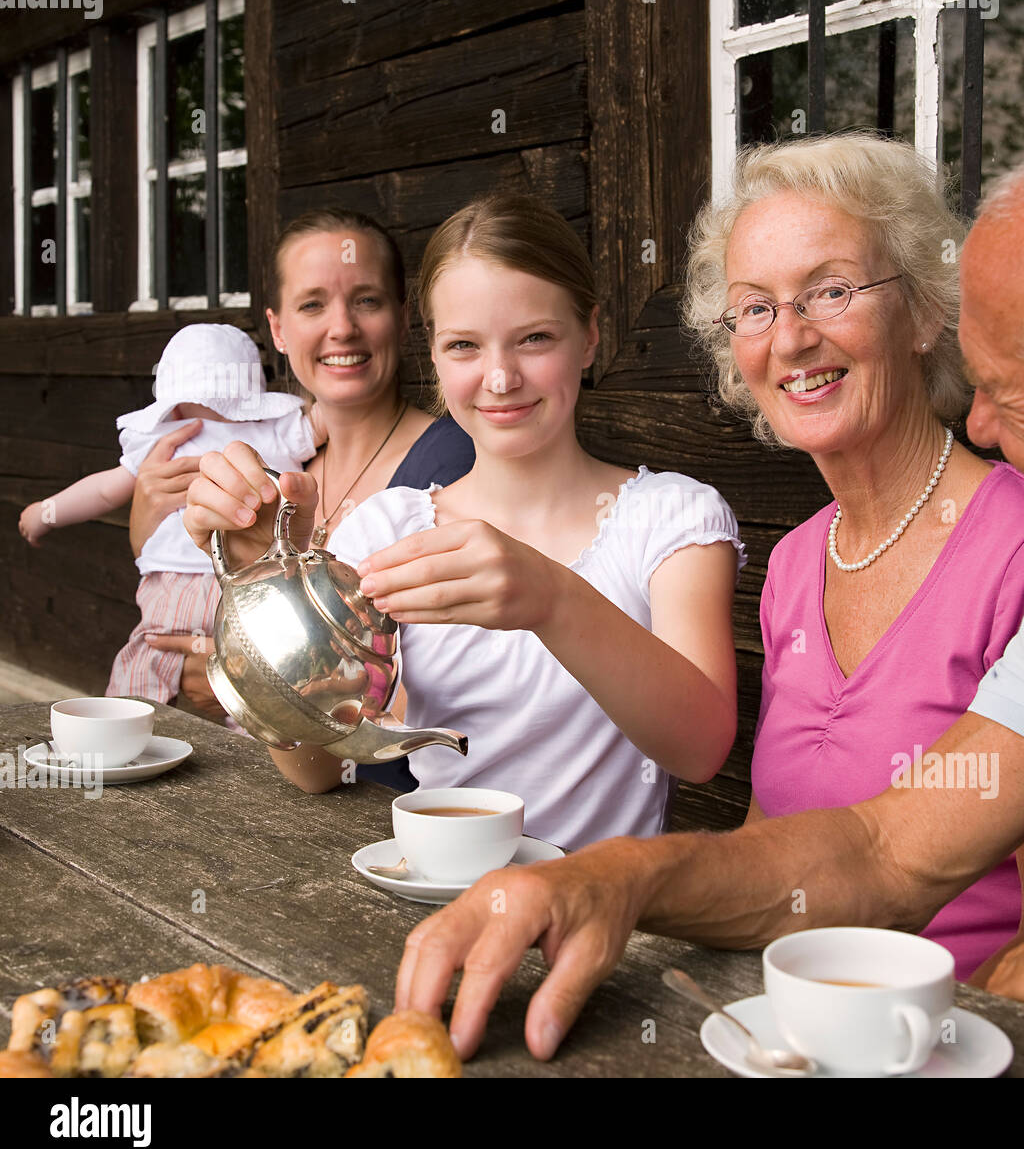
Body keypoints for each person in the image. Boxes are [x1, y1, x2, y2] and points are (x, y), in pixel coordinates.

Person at [390, 101, 1024, 1078]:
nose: (982, 424)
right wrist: (608, 876)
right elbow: (886, 853)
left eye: (1011, 391)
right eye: (753, 304)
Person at [182, 193, 745, 850]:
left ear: (589, 335)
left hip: (593, 913)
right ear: (435, 353)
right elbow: (318, 770)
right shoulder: (388, 526)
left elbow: (699, 747)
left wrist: (552, 598)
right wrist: (270, 596)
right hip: (428, 892)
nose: (501, 377)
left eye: (535, 338)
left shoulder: (671, 517)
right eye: (464, 346)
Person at [681, 132, 1024, 981]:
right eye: (756, 306)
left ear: (925, 311)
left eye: (831, 290)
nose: (791, 337)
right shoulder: (793, 564)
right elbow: (762, 839)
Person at [138, 209, 476, 789]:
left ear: (402, 315)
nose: (341, 328)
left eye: (367, 300)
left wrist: (243, 674)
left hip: (379, 811)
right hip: (245, 782)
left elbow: (440, 696)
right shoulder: (275, 471)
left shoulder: (452, 467)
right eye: (312, 304)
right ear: (277, 328)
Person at [17, 323, 322, 714]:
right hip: (251, 584)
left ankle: (121, 729)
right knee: (254, 674)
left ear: (171, 395)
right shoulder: (277, 431)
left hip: (171, 585)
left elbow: (103, 490)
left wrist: (43, 513)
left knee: (149, 655)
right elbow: (327, 419)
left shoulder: (164, 439)